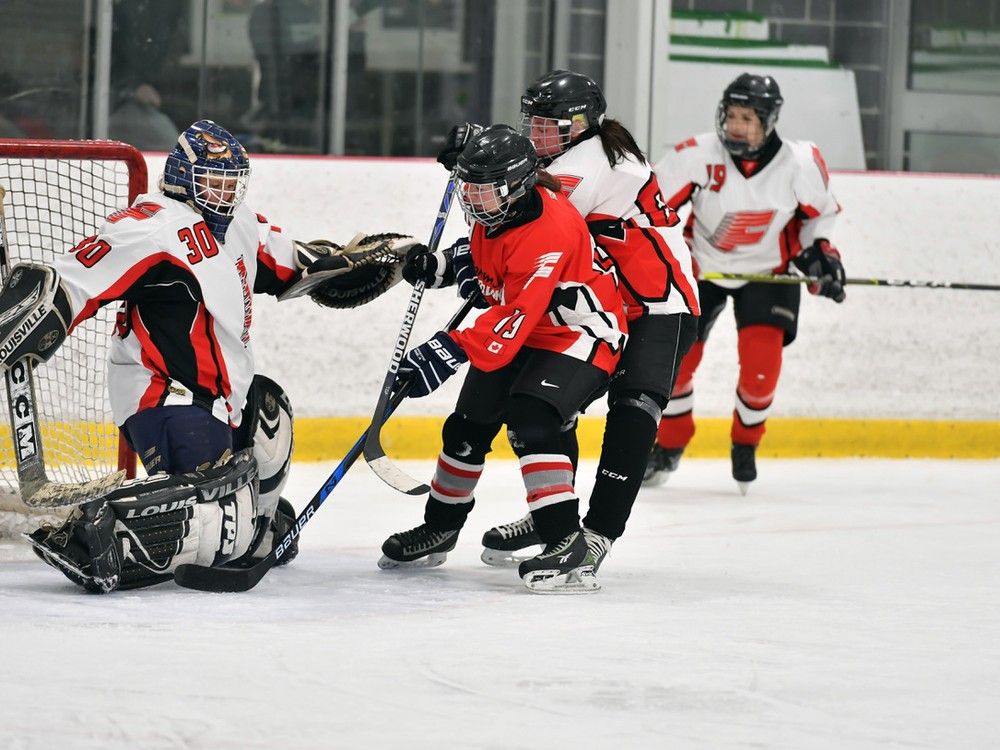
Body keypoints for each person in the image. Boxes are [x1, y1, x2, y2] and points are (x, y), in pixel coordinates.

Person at [0, 120, 416, 592]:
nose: (224, 194)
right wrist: (32, 309)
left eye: (232, 183)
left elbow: (300, 266)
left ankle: (251, 525)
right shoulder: (151, 226)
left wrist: (392, 260)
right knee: (222, 522)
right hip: (165, 398)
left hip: (225, 397)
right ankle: (97, 535)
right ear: (182, 177)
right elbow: (73, 278)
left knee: (270, 412)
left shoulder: (241, 226)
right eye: (213, 182)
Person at [453, 70, 699, 572]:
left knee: (631, 414)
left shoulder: (595, 163)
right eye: (533, 125)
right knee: (549, 402)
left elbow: (515, 215)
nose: (537, 137)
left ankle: (599, 533)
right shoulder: (573, 157)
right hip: (603, 306)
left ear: (584, 125)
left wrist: (477, 168)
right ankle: (552, 517)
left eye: (550, 127)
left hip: (659, 308)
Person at [380, 124, 627, 594]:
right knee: (466, 426)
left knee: (531, 420)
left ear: (516, 186)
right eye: (467, 188)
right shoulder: (498, 208)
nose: (473, 201)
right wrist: (440, 269)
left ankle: (565, 542)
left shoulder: (549, 229)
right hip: (527, 331)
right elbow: (483, 258)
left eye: (483, 190)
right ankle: (441, 527)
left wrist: (447, 349)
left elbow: (516, 312)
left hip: (578, 334)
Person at [643, 73, 846, 492]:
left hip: (768, 271)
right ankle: (672, 443)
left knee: (760, 370)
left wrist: (820, 254)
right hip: (702, 269)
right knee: (676, 365)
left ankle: (745, 443)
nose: (737, 125)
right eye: (732, 115)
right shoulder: (697, 154)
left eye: (748, 118)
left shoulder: (800, 162)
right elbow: (648, 207)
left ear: (769, 121)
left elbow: (818, 217)